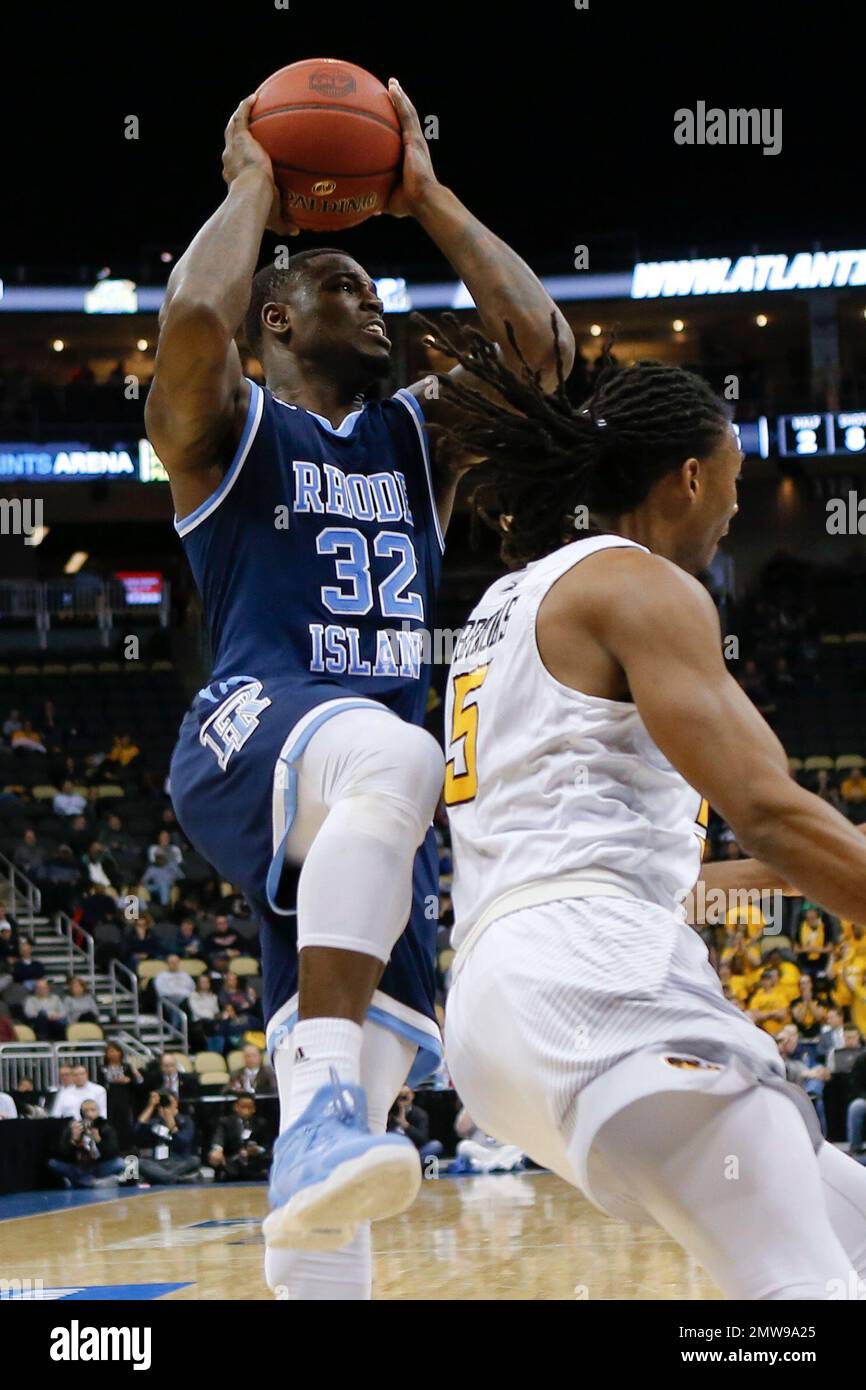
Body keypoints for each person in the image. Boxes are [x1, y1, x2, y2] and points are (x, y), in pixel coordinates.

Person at [148, 78, 570, 1300]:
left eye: (373, 289)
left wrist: (425, 195)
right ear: (271, 320)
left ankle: (318, 1131)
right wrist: (250, 191)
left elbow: (541, 355)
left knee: (344, 1154)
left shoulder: (411, 438)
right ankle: (324, 1104)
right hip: (253, 728)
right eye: (336, 286)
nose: (369, 303)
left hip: (369, 816)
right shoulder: (226, 426)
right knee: (393, 754)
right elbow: (188, 328)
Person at [434, 332, 866, 1299]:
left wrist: (834, 858)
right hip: (588, 977)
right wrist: (821, 853)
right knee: (802, 1295)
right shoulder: (641, 583)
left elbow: (636, 868)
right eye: (732, 479)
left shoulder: (508, 603)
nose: (736, 506)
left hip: (506, 1008)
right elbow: (765, 808)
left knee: (848, 1245)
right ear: (685, 477)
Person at [47, 1100, 124, 1189]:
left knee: (120, 1163)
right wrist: (74, 1140)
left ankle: (80, 1182)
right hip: (78, 1167)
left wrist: (98, 1140)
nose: (89, 1114)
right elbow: (63, 1153)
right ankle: (91, 1182)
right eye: (86, 1111)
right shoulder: (73, 1127)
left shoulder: (106, 1127)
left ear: (98, 1112)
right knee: (52, 1163)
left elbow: (113, 1152)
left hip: (98, 1166)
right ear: (81, 1113)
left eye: (92, 1110)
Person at [135, 1090, 201, 1184]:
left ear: (176, 1103)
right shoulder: (155, 1122)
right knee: (138, 1162)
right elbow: (138, 1130)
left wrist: (171, 1122)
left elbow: (183, 1142)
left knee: (195, 1160)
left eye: (168, 1102)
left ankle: (160, 1178)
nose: (165, 1104)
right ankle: (175, 1179)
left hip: (179, 1161)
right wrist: (151, 1106)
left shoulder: (186, 1120)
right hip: (158, 1163)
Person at [208, 1095, 271, 1181]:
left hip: (254, 1163)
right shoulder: (225, 1123)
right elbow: (219, 1138)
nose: (246, 1111)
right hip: (232, 1162)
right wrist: (217, 1149)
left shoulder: (261, 1123)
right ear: (236, 1107)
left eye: (249, 1108)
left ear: (254, 1109)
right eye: (243, 1107)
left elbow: (267, 1145)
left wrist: (256, 1149)